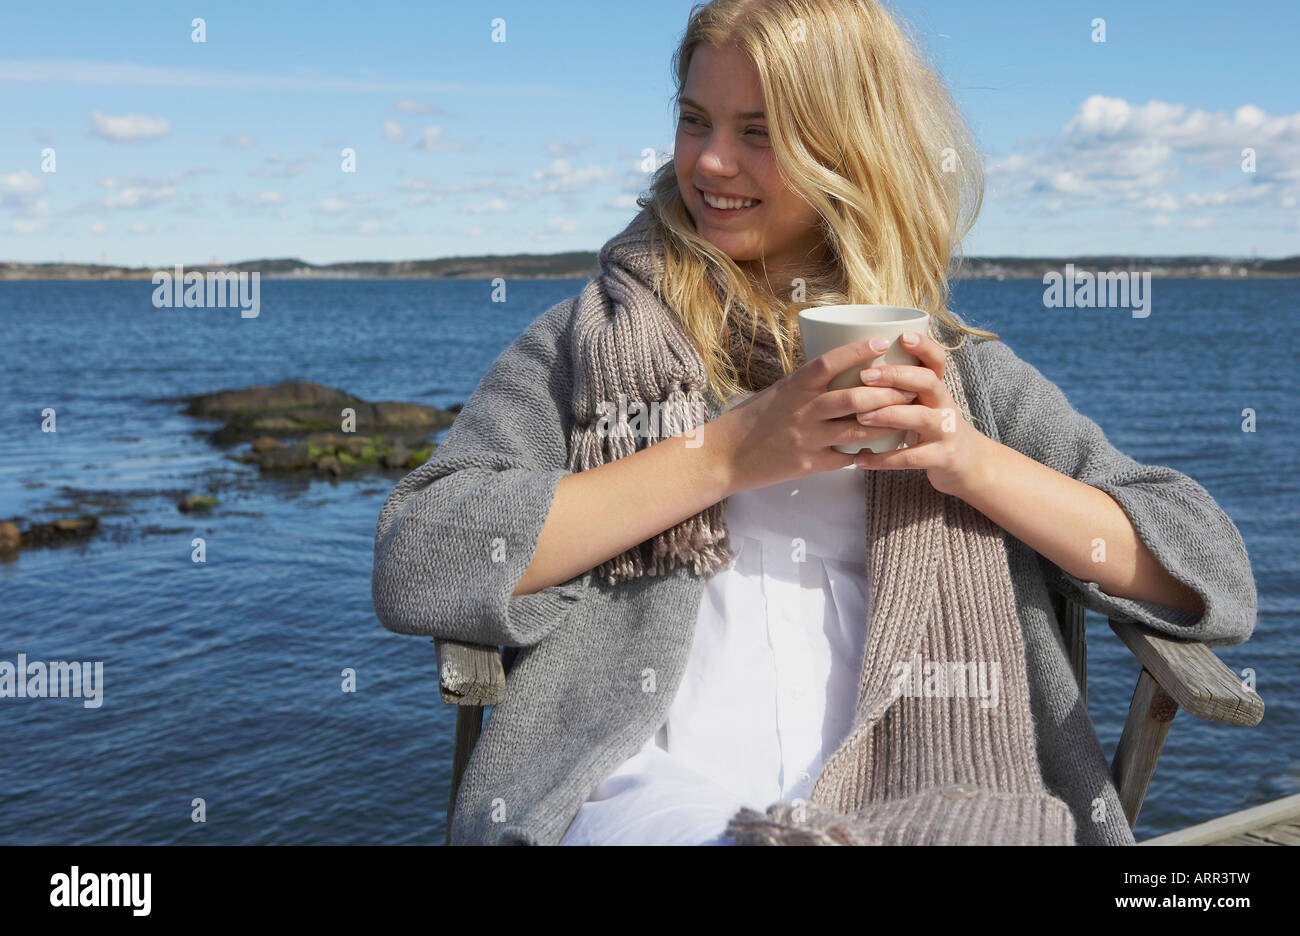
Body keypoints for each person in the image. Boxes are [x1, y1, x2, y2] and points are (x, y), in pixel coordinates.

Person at [372, 0, 1256, 846]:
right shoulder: (589, 341)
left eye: (758, 133)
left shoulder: (957, 374)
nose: (711, 163)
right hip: (641, 788)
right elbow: (421, 557)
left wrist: (971, 462)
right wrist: (722, 455)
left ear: (849, 149)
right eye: (695, 121)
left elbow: (1207, 575)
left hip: (927, 789)